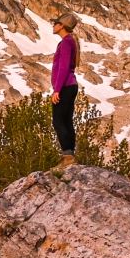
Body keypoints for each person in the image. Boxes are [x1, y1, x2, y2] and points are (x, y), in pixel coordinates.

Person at [49, 14, 80, 166]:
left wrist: (57, 90)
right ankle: (69, 155)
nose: (53, 25)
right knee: (66, 120)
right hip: (70, 85)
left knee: (58, 120)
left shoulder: (66, 42)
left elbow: (63, 67)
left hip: (65, 86)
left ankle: (67, 157)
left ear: (61, 25)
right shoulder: (68, 42)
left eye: (55, 23)